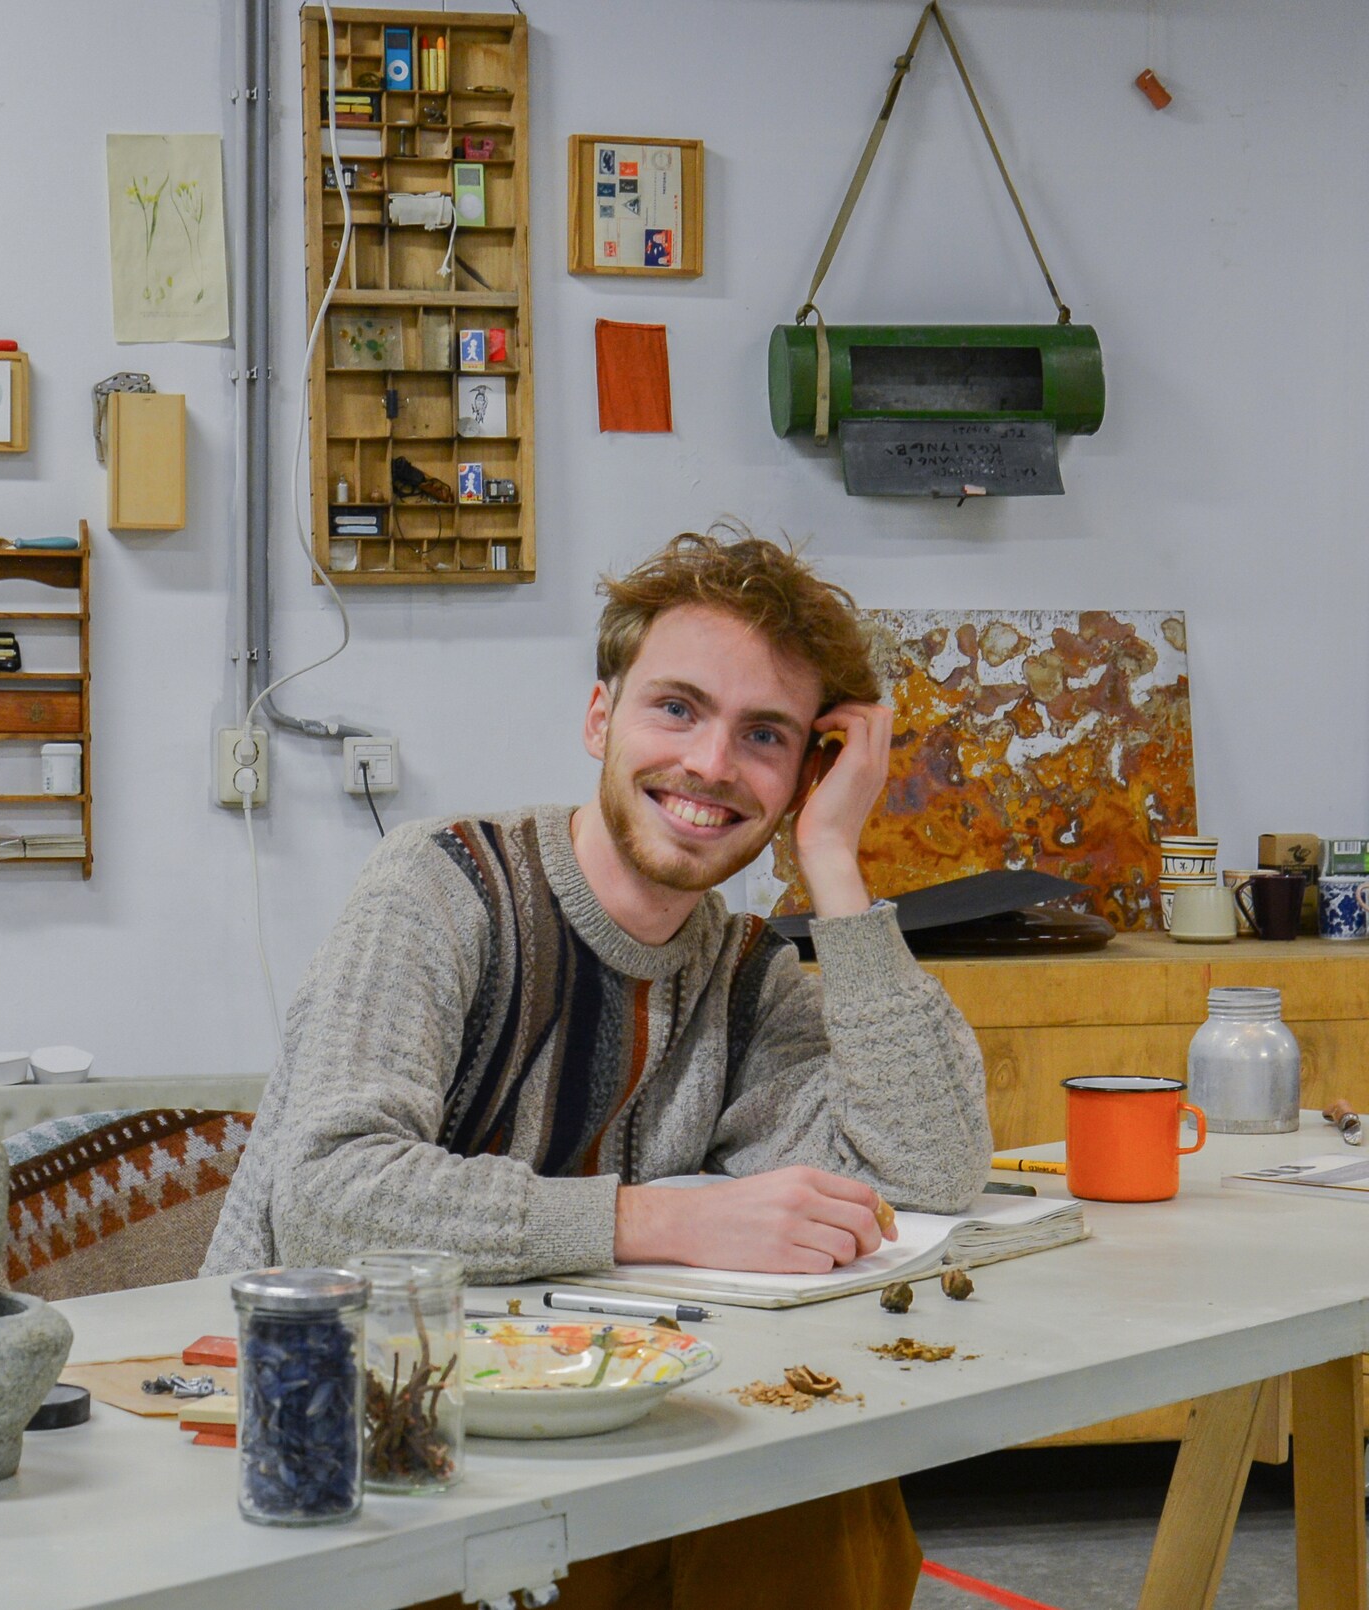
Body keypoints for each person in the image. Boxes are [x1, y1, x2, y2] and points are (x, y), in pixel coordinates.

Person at [202, 528, 993, 1610]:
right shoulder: (440, 887)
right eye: (676, 708)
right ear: (597, 718)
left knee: (825, 1487)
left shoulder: (744, 974)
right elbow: (327, 1198)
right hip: (340, 1445)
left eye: (764, 735)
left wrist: (833, 863)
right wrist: (660, 1219)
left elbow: (931, 1171)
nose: (711, 764)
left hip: (596, 1425)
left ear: (806, 774)